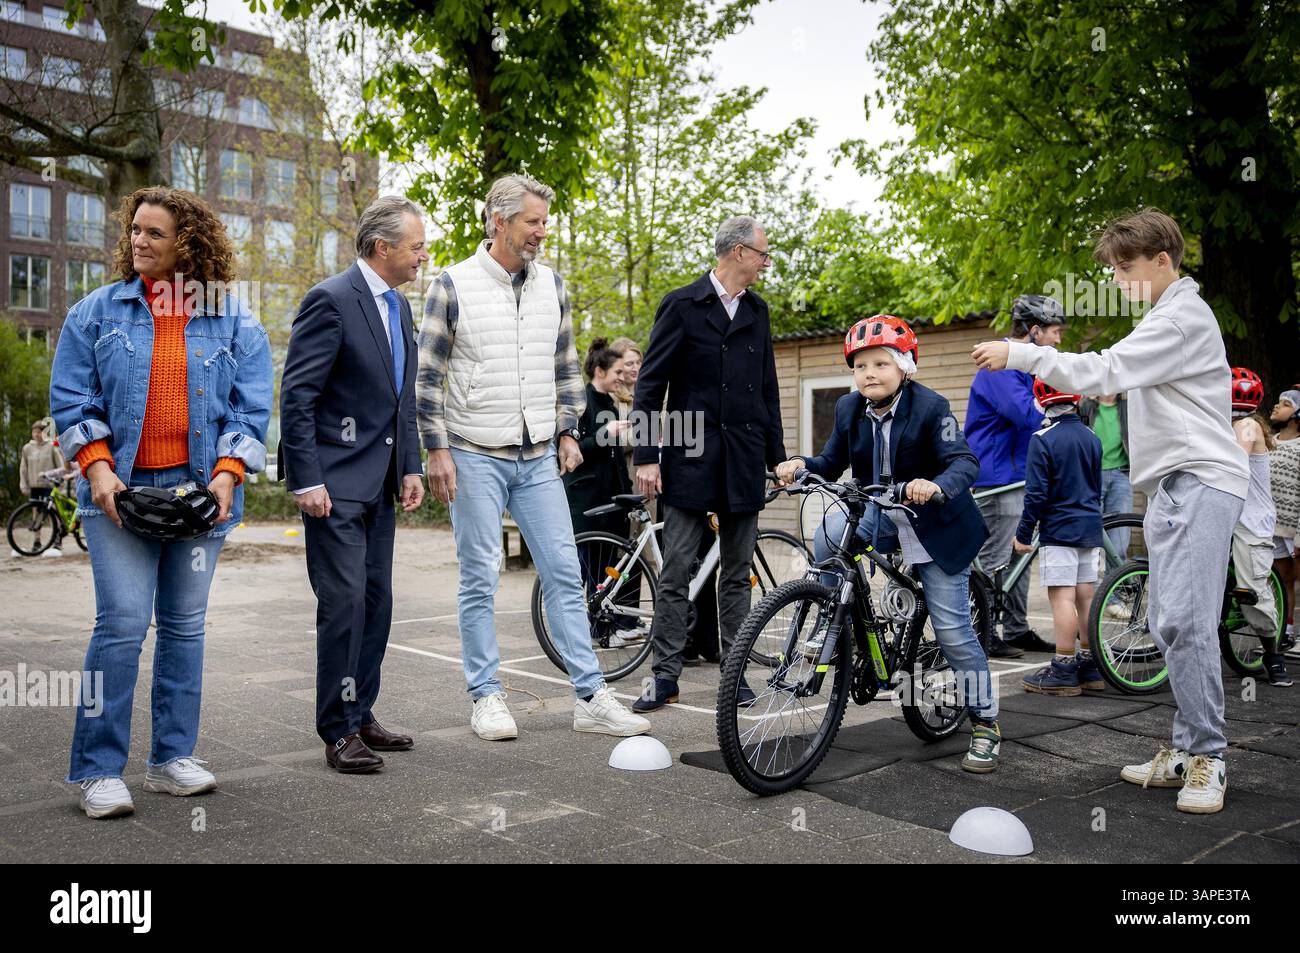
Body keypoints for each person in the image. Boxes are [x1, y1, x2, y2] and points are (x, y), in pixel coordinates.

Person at [973, 207, 1248, 814]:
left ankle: (1209, 756)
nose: (1119, 280)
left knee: (1189, 622)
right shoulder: (1168, 317)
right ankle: (1187, 747)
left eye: (1126, 268)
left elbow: (1100, 370)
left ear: (1162, 260)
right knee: (1171, 622)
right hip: (1176, 485)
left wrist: (1020, 354)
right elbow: (1119, 381)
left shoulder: (1180, 317)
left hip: (1202, 481)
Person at [50, 186, 272, 818]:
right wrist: (96, 471)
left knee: (184, 625)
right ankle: (98, 770)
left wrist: (228, 475)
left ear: (188, 245)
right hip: (117, 489)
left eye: (153, 234)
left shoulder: (232, 316)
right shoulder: (96, 313)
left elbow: (253, 410)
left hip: (200, 492)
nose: (137, 243)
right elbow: (71, 398)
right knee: (120, 624)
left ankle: (171, 758)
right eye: (135, 232)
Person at [416, 173, 650, 741]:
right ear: (499, 222)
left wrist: (569, 431)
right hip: (473, 453)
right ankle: (487, 696)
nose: (541, 232)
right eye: (532, 221)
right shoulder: (452, 285)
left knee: (566, 573)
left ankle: (591, 696)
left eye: (545, 221)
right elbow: (426, 379)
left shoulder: (554, 287)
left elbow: (567, 370)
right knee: (480, 577)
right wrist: (436, 450)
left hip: (538, 456)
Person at [776, 315, 1000, 772]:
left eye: (881, 363)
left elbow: (965, 462)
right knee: (829, 535)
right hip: (878, 510)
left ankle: (985, 722)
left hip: (934, 520)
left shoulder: (933, 408)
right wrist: (802, 463)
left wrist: (933, 485)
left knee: (955, 631)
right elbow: (831, 460)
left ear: (904, 366)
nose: (869, 373)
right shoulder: (847, 409)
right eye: (860, 366)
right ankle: (836, 617)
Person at [278, 196, 428, 774]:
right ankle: (338, 730)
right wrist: (306, 478)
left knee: (376, 603)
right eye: (415, 246)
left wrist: (409, 467)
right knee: (342, 606)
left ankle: (361, 710)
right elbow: (298, 396)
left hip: (380, 486)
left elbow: (400, 401)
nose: (422, 256)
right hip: (333, 487)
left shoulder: (401, 310)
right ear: (382, 248)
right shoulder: (331, 300)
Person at [630, 215, 786, 712]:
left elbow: (768, 391)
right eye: (762, 253)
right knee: (675, 573)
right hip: (690, 459)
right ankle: (664, 676)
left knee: (737, 576)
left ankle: (734, 676)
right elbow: (649, 389)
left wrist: (777, 460)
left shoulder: (758, 311)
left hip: (741, 462)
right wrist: (646, 457)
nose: (766, 262)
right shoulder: (681, 304)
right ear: (738, 252)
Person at [964, 294, 1067, 657]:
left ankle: (1017, 627)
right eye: (1054, 332)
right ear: (1035, 331)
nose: (1058, 340)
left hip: (1019, 474)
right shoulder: (1002, 365)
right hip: (998, 476)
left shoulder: (1024, 366)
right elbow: (1027, 414)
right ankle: (985, 631)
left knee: (1019, 555)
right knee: (995, 558)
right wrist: (1067, 409)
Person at [1017, 380, 1106, 697]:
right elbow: (1097, 484)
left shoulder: (1042, 439)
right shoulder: (1092, 437)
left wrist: (1024, 532)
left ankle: (1064, 667)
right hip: (1089, 526)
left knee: (1062, 598)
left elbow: (1036, 493)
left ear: (1043, 400)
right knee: (1085, 594)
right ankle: (1090, 663)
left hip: (1059, 529)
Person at [1228, 369, 1291, 687]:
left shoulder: (1248, 425)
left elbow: (1235, 460)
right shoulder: (1226, 424)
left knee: (1254, 592)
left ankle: (1272, 654)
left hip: (1250, 521)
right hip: (1226, 516)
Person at [1077, 393, 1133, 559]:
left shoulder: (1127, 407)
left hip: (1121, 476)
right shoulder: (1085, 406)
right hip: (1091, 476)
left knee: (1119, 544)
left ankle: (1115, 583)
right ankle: (1091, 584)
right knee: (1088, 541)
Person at [1267, 389, 1300, 657]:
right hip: (1274, 527)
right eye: (1278, 402)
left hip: (1295, 528)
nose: (1277, 407)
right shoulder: (1269, 442)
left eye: (1286, 404)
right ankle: (1285, 631)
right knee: (1282, 580)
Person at [19, 418, 65, 502]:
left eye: (39, 432)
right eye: (34, 432)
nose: (36, 434)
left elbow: (60, 465)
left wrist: (61, 485)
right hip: (34, 486)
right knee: (36, 511)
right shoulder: (27, 448)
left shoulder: (51, 446)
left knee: (50, 511)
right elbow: (23, 468)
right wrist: (23, 485)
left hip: (49, 486)